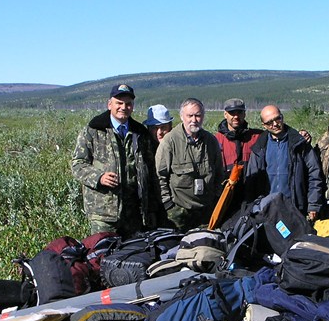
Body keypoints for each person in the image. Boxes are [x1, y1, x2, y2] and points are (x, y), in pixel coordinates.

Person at [70, 83, 162, 235]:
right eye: (119, 103)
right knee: (103, 254)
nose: (123, 107)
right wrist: (99, 177)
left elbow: (151, 172)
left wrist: (151, 208)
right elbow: (77, 164)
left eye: (128, 104)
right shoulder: (93, 130)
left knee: (134, 255)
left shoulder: (140, 133)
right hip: (104, 213)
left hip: (135, 212)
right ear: (109, 104)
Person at [244, 104, 324, 221]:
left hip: (295, 208)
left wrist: (313, 205)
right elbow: (251, 182)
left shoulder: (299, 143)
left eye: (278, 118)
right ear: (264, 125)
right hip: (268, 209)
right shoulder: (259, 148)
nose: (275, 124)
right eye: (270, 122)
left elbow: (314, 175)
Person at [156, 98, 225, 232]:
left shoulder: (211, 141)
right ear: (182, 117)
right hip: (178, 211)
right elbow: (160, 176)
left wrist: (216, 197)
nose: (194, 120)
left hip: (206, 210)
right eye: (190, 115)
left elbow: (218, 172)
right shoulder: (170, 141)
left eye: (198, 115)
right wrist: (169, 205)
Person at [214, 98, 262, 175]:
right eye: (232, 113)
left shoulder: (257, 137)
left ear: (244, 114)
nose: (236, 116)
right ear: (225, 114)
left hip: (251, 185)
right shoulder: (216, 140)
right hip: (226, 185)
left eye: (239, 112)